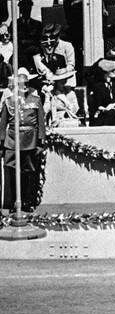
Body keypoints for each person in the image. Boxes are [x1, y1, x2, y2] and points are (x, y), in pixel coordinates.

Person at [0, 69, 46, 211]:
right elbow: (3, 124)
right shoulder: (9, 101)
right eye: (20, 83)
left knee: (29, 172)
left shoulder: (35, 100)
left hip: (30, 140)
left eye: (26, 83)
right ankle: (14, 202)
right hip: (13, 140)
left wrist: (40, 141)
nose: (24, 86)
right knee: (12, 172)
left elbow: (40, 122)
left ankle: (27, 201)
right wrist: (2, 141)